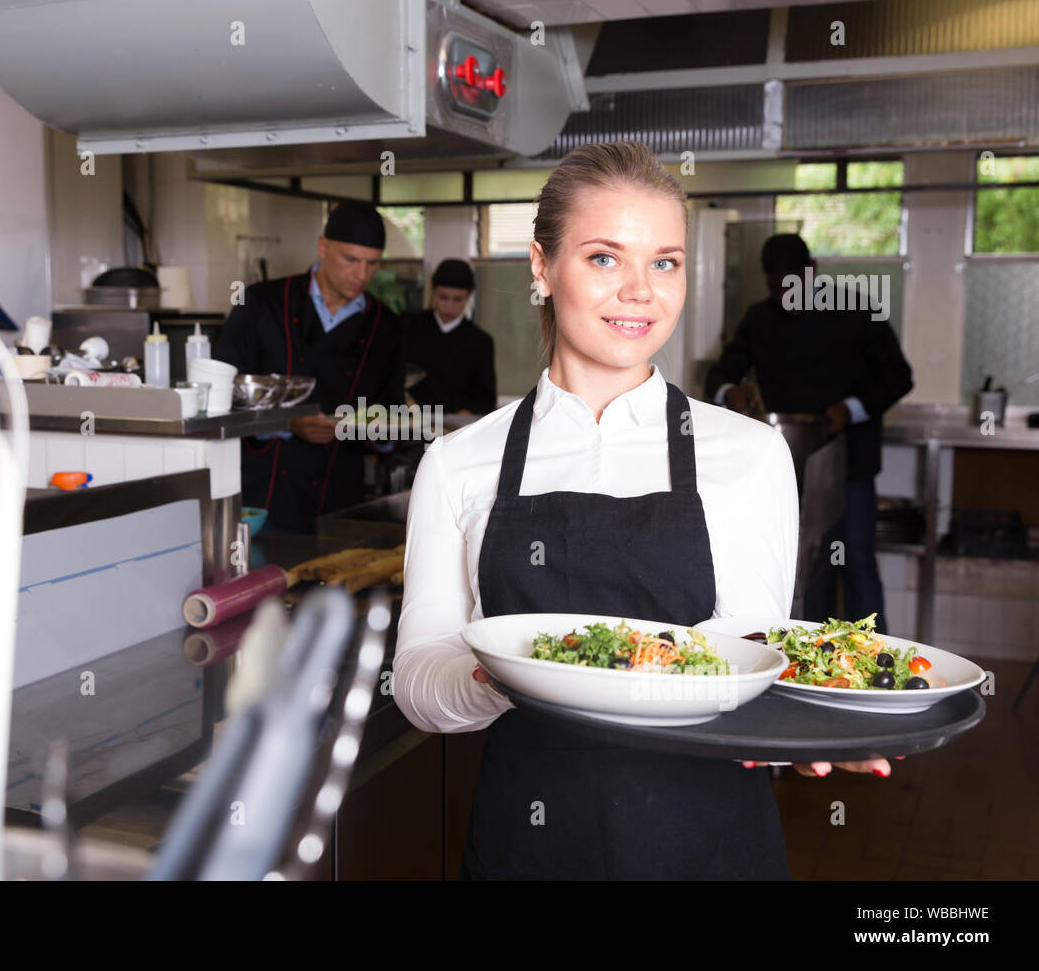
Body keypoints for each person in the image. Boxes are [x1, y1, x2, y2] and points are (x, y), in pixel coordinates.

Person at [394, 142, 890, 881]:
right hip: (531, 837)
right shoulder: (460, 461)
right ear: (540, 267)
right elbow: (414, 680)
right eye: (603, 258)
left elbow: (752, 647)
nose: (640, 291)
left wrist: (811, 715)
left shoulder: (749, 454)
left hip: (707, 836)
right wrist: (504, 673)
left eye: (664, 262)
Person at [704, 233, 914, 622]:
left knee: (856, 567)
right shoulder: (760, 319)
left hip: (847, 465)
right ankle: (801, 665)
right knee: (796, 572)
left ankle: (874, 666)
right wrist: (728, 390)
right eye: (775, 285)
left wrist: (851, 409)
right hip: (783, 470)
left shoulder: (854, 311)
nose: (784, 294)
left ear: (811, 270)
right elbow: (720, 374)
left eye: (791, 284)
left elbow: (898, 376)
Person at [215, 202, 404, 533]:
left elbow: (390, 412)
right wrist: (288, 422)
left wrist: (376, 428)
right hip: (263, 498)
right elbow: (221, 397)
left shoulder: (385, 325)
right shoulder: (261, 303)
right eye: (351, 260)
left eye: (372, 264)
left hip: (340, 502)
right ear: (323, 247)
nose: (362, 275)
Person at [403, 259, 496, 414]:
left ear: (468, 297)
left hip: (454, 429)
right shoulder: (409, 328)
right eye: (443, 297)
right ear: (433, 291)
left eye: (457, 299)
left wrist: (467, 412)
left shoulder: (480, 342)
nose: (449, 306)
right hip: (409, 422)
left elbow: (487, 399)